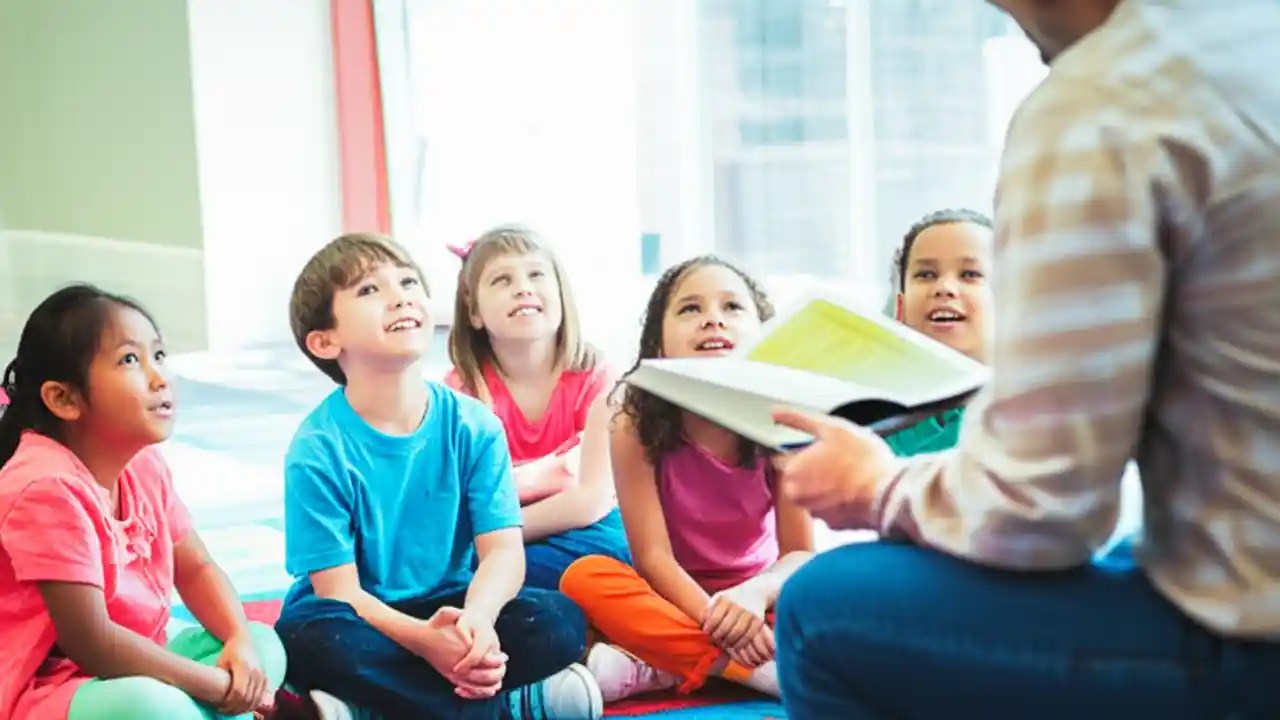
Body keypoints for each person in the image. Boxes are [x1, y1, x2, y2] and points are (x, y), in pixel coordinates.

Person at [771, 0, 1280, 718]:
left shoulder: (1103, 103)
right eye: (924, 275)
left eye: (972, 274)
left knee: (822, 607)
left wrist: (875, 488)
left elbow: (1043, 514)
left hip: (1253, 643)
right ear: (899, 299)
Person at [273, 233, 602, 719]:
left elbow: (503, 552)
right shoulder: (317, 449)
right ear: (325, 341)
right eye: (370, 290)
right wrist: (425, 643)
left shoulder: (474, 425)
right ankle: (507, 707)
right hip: (364, 616)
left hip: (455, 604)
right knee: (306, 638)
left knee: (558, 619)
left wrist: (478, 622)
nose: (401, 295)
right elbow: (339, 592)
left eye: (408, 281)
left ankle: (371, 710)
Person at [0, 284, 285, 720]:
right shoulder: (45, 486)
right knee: (153, 707)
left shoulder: (143, 464)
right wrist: (214, 685)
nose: (159, 377)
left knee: (264, 645)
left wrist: (239, 643)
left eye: (159, 356)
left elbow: (198, 568)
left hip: (136, 661)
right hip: (46, 688)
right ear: (64, 398)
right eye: (130, 360)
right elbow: (92, 643)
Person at [560, 256, 813, 702]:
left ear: (764, 335)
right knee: (584, 578)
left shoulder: (787, 420)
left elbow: (800, 553)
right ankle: (745, 671)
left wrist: (753, 595)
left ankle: (662, 667)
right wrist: (722, 625)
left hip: (756, 602)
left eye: (732, 307)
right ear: (659, 344)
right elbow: (653, 558)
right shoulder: (632, 421)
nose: (713, 318)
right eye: (690, 309)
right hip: (671, 596)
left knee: (833, 592)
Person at [443, 225, 630, 591]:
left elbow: (590, 501)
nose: (523, 287)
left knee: (614, 552)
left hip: (586, 531)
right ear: (475, 313)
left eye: (536, 274)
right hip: (498, 538)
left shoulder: (599, 379)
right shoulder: (461, 393)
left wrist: (496, 543)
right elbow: (459, 500)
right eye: (501, 280)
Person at [884, 208, 994, 457]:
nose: (944, 288)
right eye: (926, 275)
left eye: (970, 274)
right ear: (900, 308)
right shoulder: (867, 424)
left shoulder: (1042, 422)